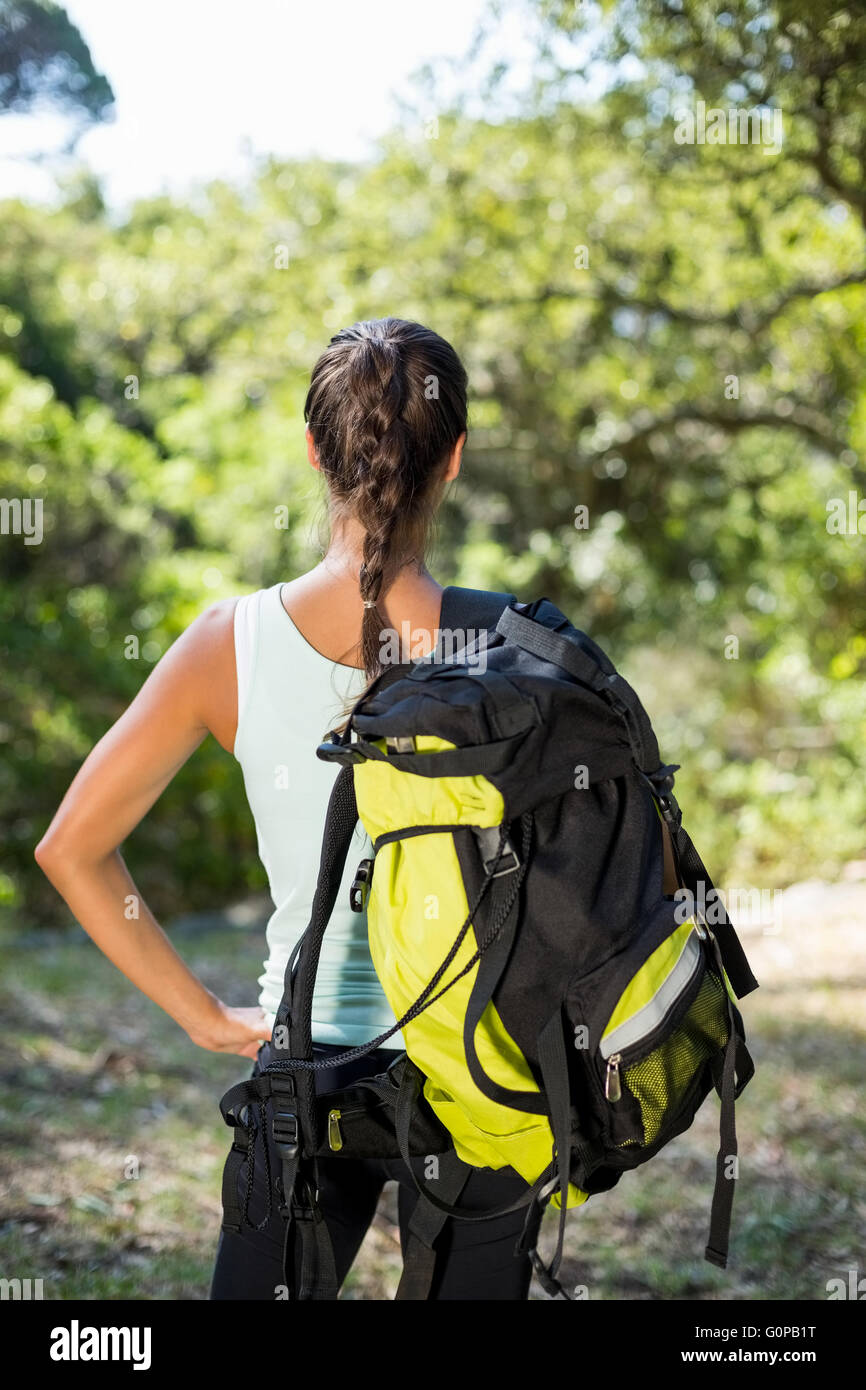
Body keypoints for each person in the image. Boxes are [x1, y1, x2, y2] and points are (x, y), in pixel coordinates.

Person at [35, 316, 542, 1301]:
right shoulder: (510, 646)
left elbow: (72, 848)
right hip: (481, 1073)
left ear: (314, 450)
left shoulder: (229, 644)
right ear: (455, 460)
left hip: (302, 1064)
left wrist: (200, 1015)